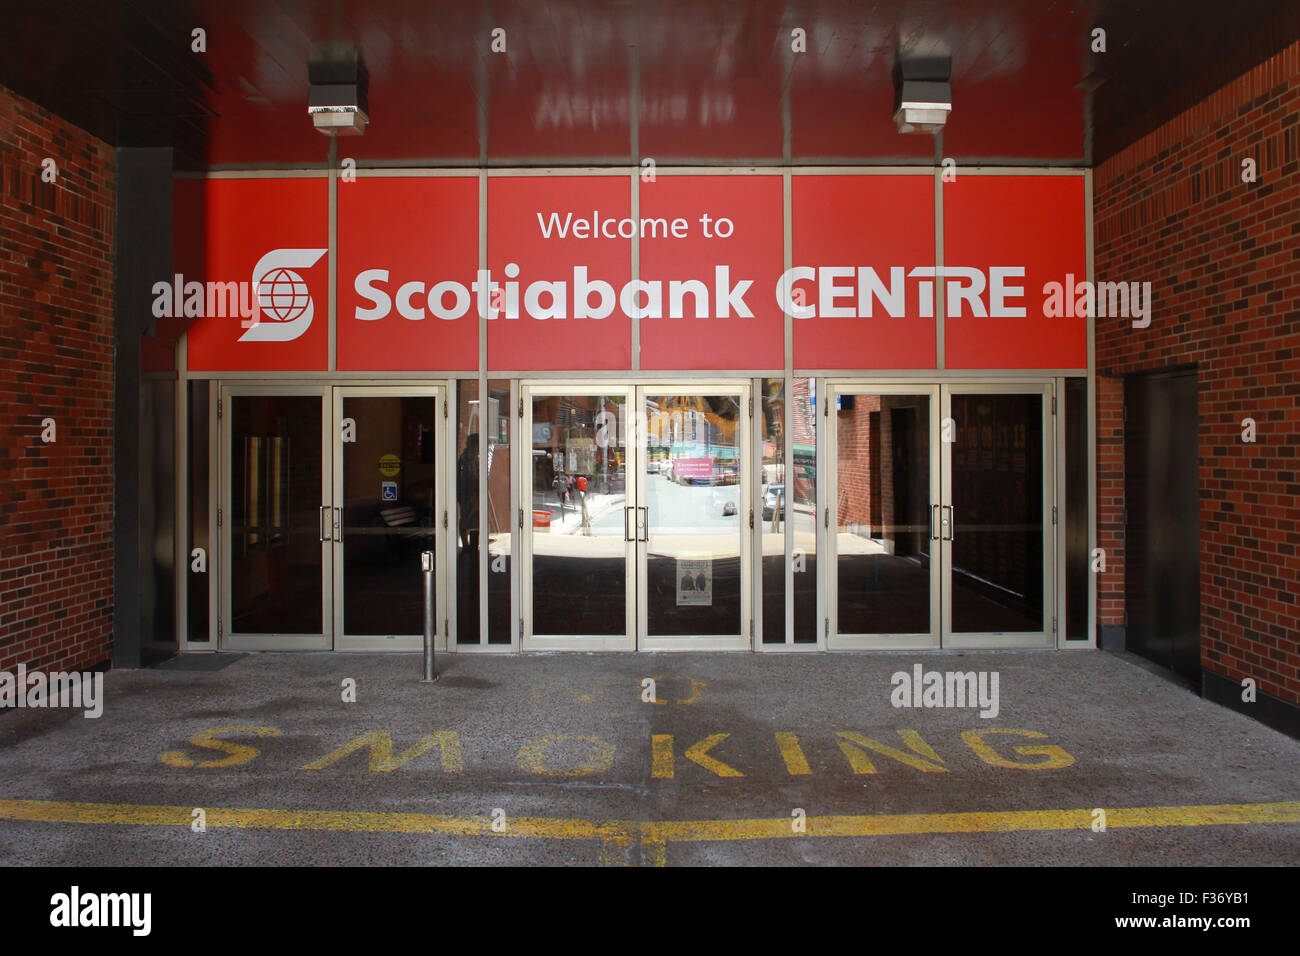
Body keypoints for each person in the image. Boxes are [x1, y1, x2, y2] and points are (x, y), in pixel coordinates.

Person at [457, 433, 479, 550]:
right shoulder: (467, 458)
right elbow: (472, 477)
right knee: (467, 519)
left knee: (473, 520)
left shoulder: (470, 457)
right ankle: (467, 545)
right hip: (468, 493)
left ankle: (472, 545)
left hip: (470, 493)